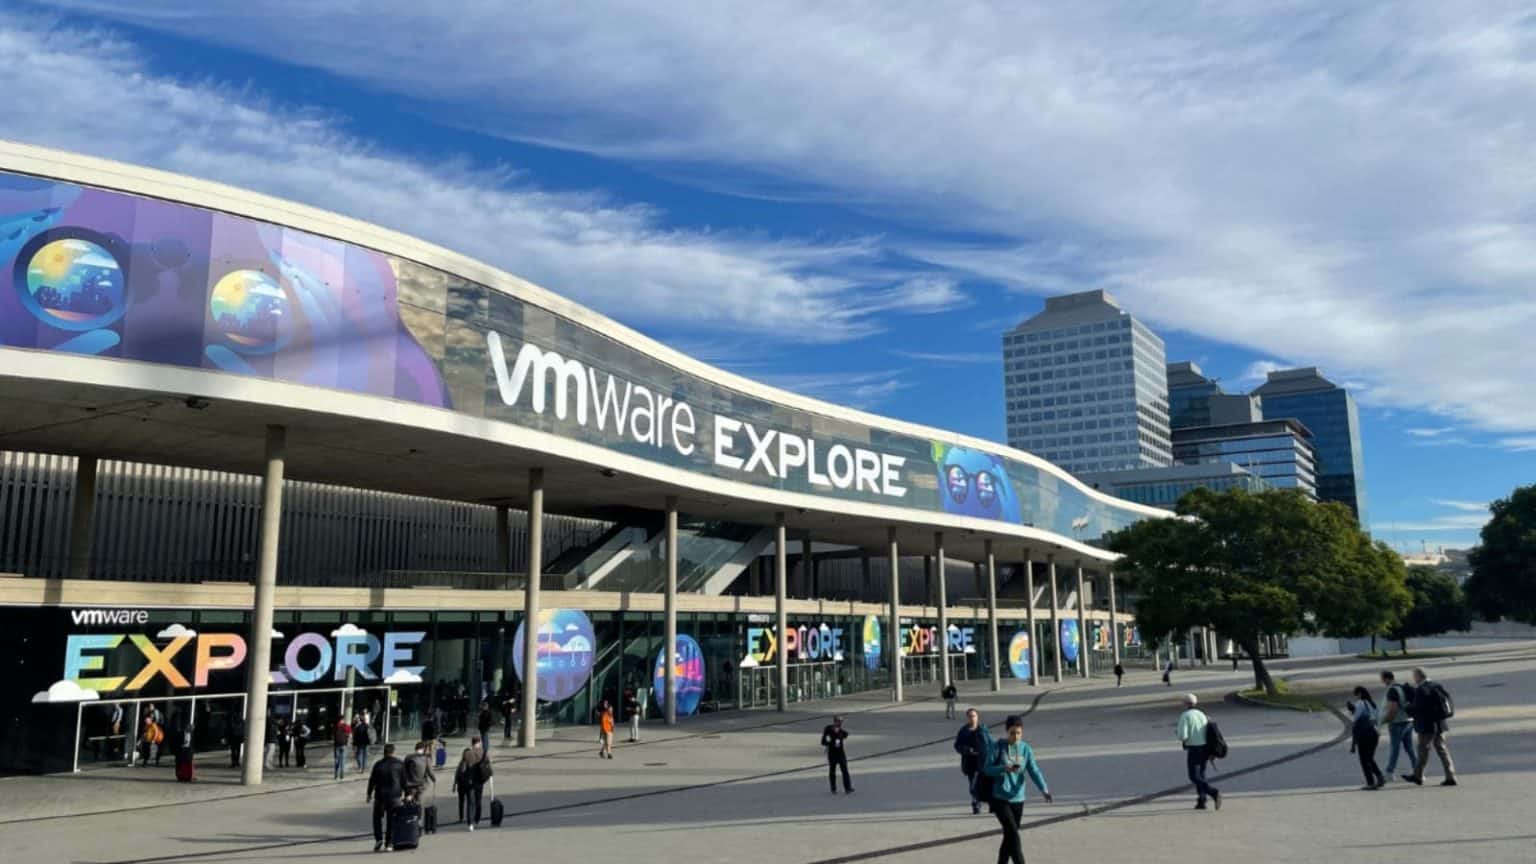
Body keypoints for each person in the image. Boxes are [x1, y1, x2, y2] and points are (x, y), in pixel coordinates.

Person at [981, 714, 1052, 864]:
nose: (1015, 736)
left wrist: (1044, 789)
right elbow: (986, 769)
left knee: (1009, 836)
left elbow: (1034, 770)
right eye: (1012, 733)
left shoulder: (1025, 749)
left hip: (1018, 798)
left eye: (1018, 733)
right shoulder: (998, 747)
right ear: (1007, 731)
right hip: (1000, 797)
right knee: (1013, 834)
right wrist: (1003, 768)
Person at [1402, 667, 1457, 786]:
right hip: (1440, 723)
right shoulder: (1437, 685)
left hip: (1426, 726)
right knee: (1442, 750)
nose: (1414, 679)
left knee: (1423, 750)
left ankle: (1418, 776)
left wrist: (1407, 707)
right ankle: (1451, 776)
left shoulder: (1421, 689)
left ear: (1418, 676)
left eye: (1414, 676)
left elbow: (1418, 708)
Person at [1176, 693, 1220, 810]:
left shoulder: (1185, 716)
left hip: (1194, 748)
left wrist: (1177, 733)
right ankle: (1202, 800)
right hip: (1205, 748)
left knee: (1194, 776)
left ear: (1185, 704)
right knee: (1201, 774)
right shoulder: (1202, 714)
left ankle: (1213, 792)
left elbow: (1183, 736)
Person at [366, 743, 406, 853]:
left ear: (384, 752)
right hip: (395, 796)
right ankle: (389, 843)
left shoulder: (378, 764)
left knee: (377, 818)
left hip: (380, 796)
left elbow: (372, 780)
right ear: (393, 752)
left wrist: (369, 794)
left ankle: (378, 838)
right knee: (392, 819)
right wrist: (408, 794)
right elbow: (404, 780)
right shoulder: (399, 764)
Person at [953, 707, 992, 814]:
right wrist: (967, 750)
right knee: (973, 785)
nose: (972, 718)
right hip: (970, 762)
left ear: (977, 717)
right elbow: (957, 746)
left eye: (974, 716)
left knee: (986, 783)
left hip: (983, 760)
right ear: (967, 718)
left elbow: (990, 742)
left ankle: (991, 803)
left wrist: (993, 753)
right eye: (970, 716)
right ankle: (976, 804)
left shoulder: (983, 729)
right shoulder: (963, 731)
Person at [1347, 686, 1385, 789]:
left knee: (1364, 760)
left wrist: (1352, 710)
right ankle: (1380, 777)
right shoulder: (1373, 704)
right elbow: (1378, 718)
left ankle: (1370, 782)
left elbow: (1356, 719)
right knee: (1369, 758)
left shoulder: (1360, 703)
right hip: (1375, 733)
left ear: (1359, 694)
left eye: (1356, 695)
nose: (1356, 697)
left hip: (1365, 734)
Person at [820, 715, 853, 794]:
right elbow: (823, 741)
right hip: (832, 754)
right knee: (832, 771)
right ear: (834, 721)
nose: (839, 723)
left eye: (841, 722)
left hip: (841, 753)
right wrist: (830, 742)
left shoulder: (841, 731)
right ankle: (833, 789)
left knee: (845, 771)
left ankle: (848, 788)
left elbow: (845, 735)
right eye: (838, 721)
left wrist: (841, 735)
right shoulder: (828, 729)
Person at [453, 747, 476, 827]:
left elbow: (456, 774)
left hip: (461, 786)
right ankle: (470, 818)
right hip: (467, 786)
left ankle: (461, 817)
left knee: (461, 802)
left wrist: (454, 784)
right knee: (470, 802)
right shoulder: (470, 763)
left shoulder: (461, 763)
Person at [332, 716, 351, 781]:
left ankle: (336, 775)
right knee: (343, 760)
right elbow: (349, 735)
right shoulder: (346, 726)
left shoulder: (335, 726)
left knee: (336, 760)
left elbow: (333, 736)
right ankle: (342, 775)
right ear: (343, 720)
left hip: (336, 745)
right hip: (344, 745)